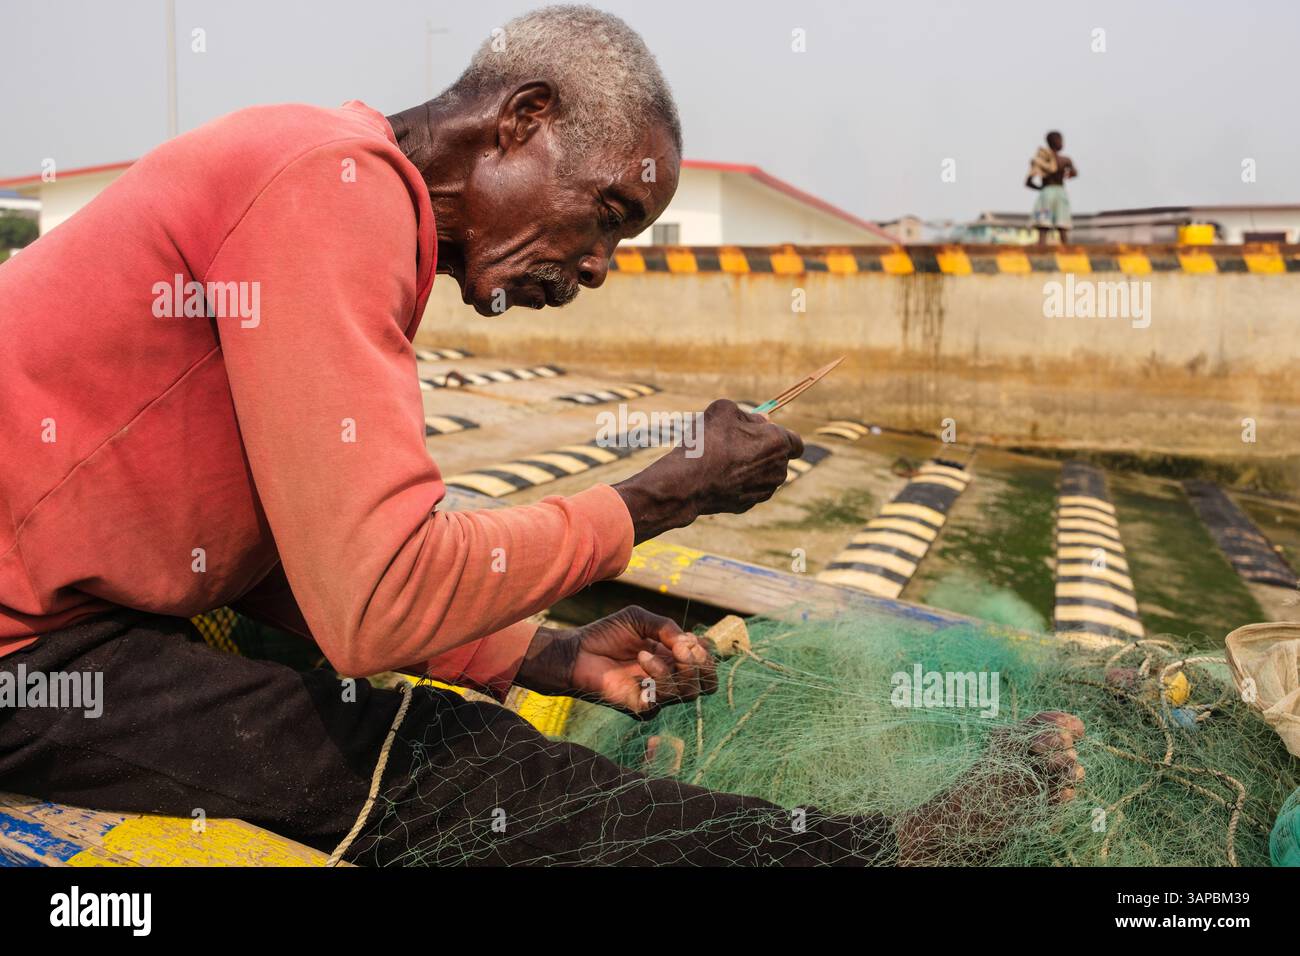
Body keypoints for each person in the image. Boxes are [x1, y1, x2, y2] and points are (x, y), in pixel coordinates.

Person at [0, 5, 1083, 865]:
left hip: (73, 612)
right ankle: (881, 857)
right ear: (521, 119)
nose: (604, 263)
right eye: (609, 213)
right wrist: (664, 494)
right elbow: (373, 602)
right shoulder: (332, 185)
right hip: (27, 654)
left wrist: (544, 652)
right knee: (450, 766)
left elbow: (281, 555)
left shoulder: (326, 185)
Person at [1025, 130, 1078, 245]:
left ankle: (1041, 250)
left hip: (1046, 194)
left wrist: (1041, 189)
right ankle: (1066, 252)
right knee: (1062, 226)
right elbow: (1074, 173)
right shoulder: (1065, 160)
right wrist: (1067, 175)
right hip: (1060, 193)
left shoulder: (1041, 160)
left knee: (1043, 227)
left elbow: (1028, 182)